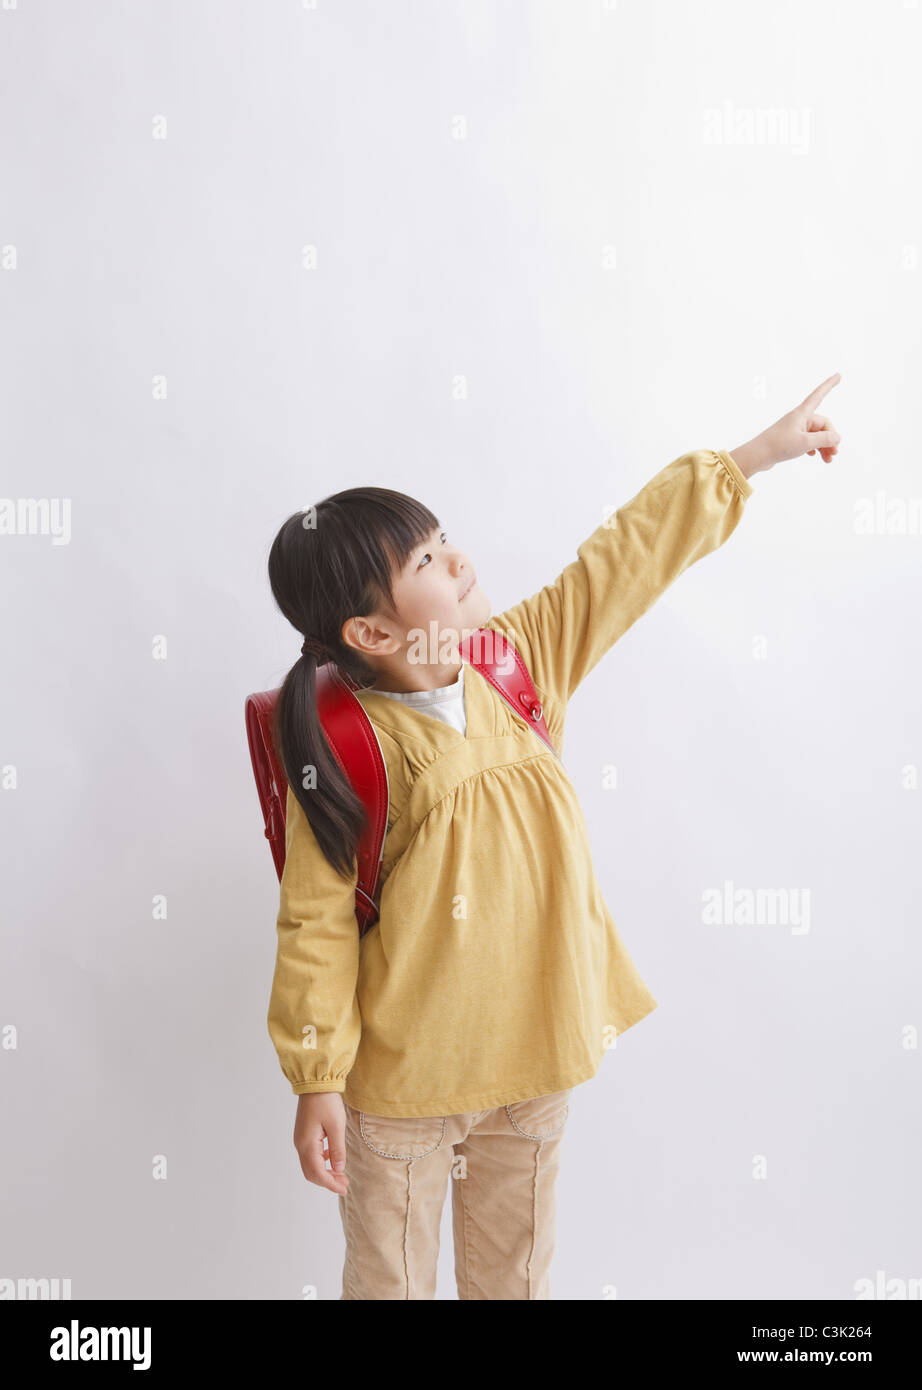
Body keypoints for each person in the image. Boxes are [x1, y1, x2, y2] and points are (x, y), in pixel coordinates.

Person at [264, 374, 842, 1299]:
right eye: (426, 561)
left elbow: (622, 560)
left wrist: (750, 458)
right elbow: (315, 926)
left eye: (444, 538)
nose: (458, 561)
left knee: (515, 1282)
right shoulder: (347, 748)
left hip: (533, 1067)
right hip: (402, 1092)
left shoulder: (518, 662)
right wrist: (317, 1078)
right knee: (388, 1285)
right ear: (369, 629)